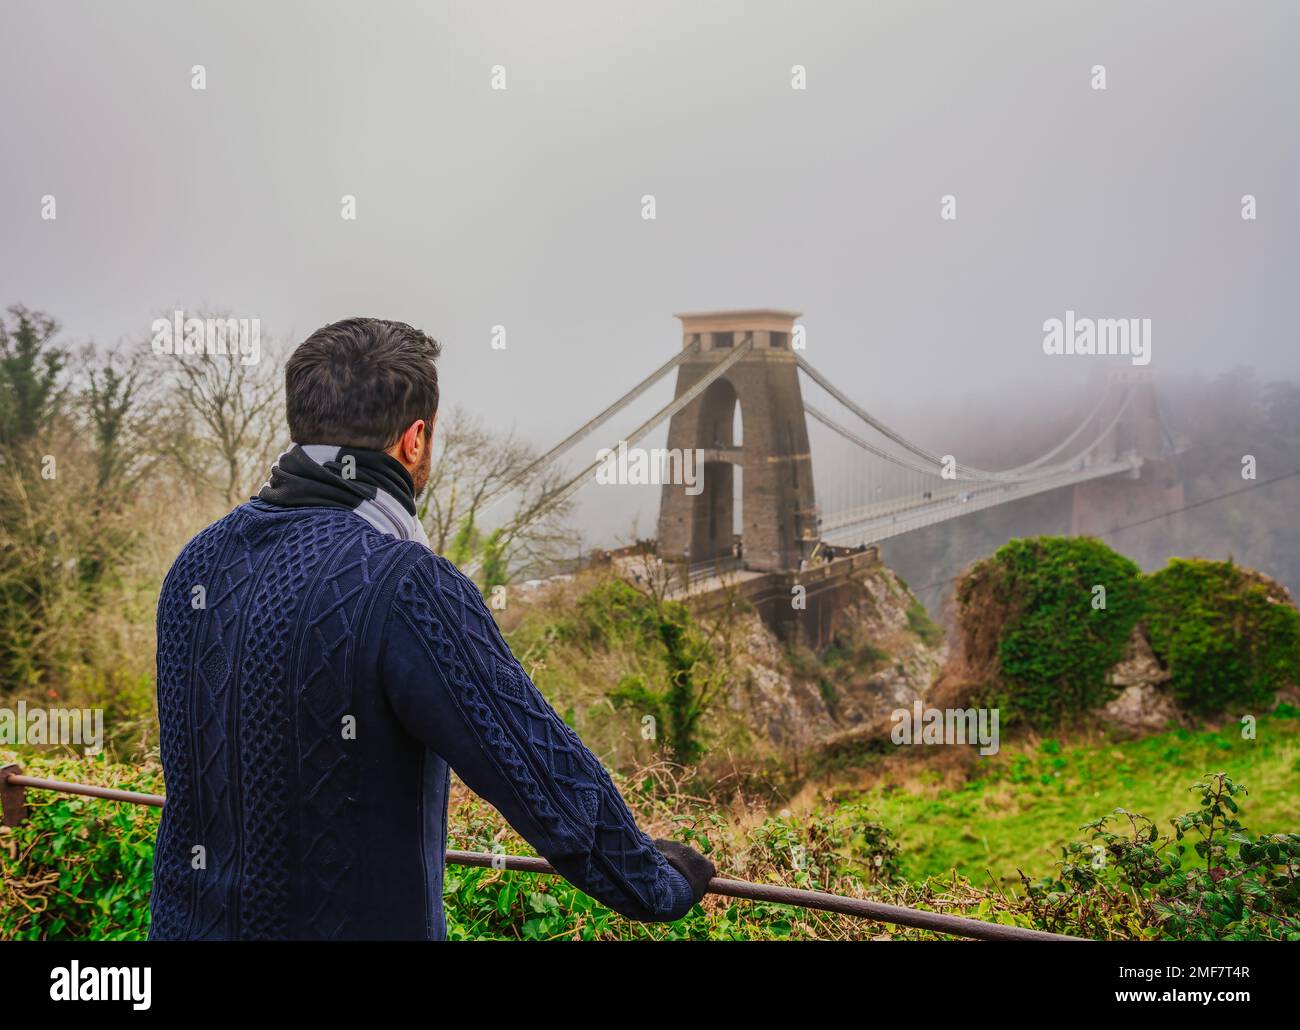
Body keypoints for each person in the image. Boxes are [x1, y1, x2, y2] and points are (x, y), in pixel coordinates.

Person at [149, 317, 715, 940]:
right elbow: (538, 772)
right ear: (415, 439)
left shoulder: (196, 562)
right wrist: (657, 883)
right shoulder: (405, 584)